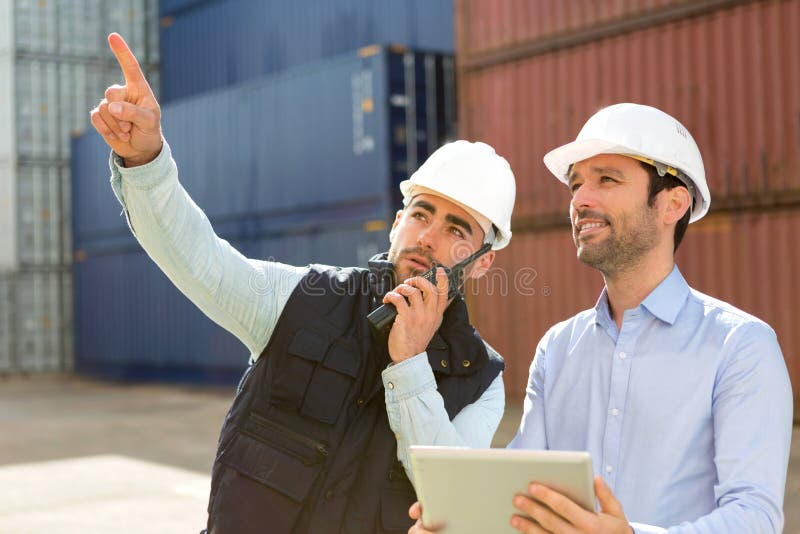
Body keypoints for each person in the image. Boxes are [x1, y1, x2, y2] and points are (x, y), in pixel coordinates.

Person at [89, 34, 516, 533]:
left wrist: (410, 364)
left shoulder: (480, 381)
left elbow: (451, 500)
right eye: (422, 214)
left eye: (456, 230)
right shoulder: (300, 300)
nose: (428, 237)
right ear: (398, 223)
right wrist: (146, 162)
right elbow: (197, 259)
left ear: (482, 263)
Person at [409, 103, 793, 533]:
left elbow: (756, 518)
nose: (579, 200)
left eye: (606, 179)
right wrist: (458, 521)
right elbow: (521, 499)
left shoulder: (740, 347)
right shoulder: (558, 349)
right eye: (576, 185)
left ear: (672, 204)